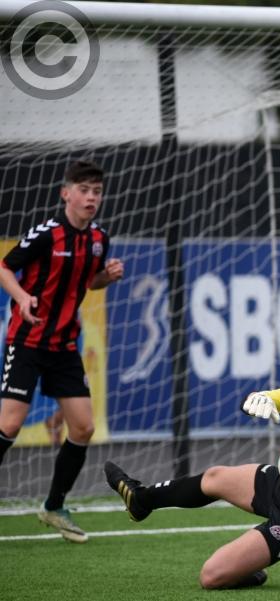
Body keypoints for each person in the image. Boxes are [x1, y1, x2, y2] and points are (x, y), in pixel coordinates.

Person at [105, 325, 280, 589]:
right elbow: (263, 398)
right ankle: (142, 501)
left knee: (211, 576)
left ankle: (245, 569)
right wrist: (257, 401)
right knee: (215, 477)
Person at [0, 160, 124, 543]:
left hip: (65, 344)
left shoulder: (100, 238)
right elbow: (5, 267)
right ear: (65, 193)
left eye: (97, 191)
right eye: (84, 190)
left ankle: (54, 506)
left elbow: (90, 282)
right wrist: (21, 297)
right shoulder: (47, 234)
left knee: (83, 427)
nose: (91, 198)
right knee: (9, 424)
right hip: (27, 341)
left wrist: (107, 276)